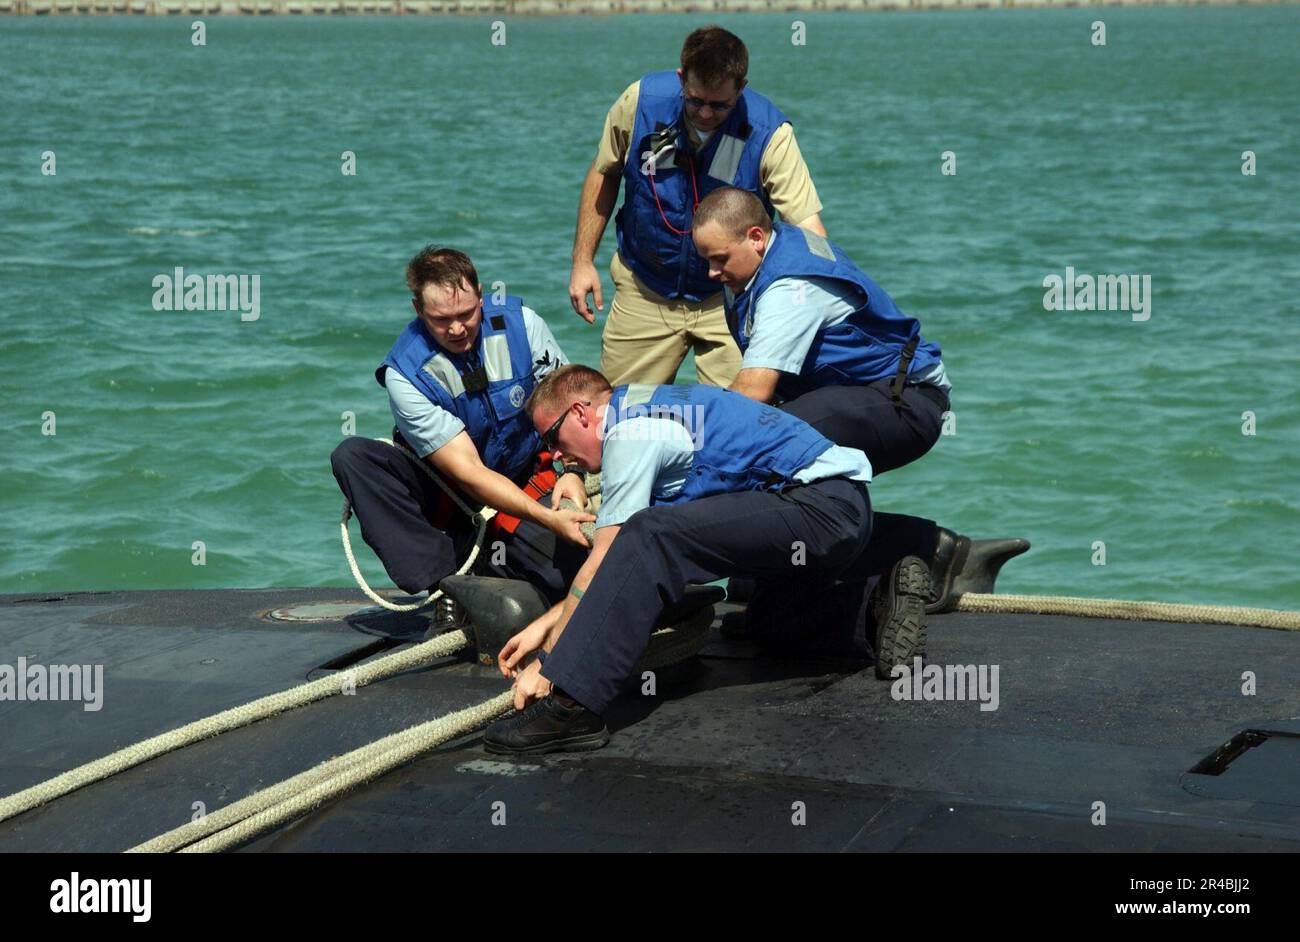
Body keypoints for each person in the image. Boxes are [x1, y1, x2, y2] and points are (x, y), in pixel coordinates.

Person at [480, 365, 932, 755]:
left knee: (648, 535)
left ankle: (572, 708)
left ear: (580, 412)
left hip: (818, 509)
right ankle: (875, 606)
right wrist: (546, 622)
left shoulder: (630, 434)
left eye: (552, 438)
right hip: (835, 509)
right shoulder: (648, 405)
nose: (556, 457)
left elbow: (613, 554)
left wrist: (551, 661)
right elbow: (618, 571)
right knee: (768, 624)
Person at [691, 186, 1028, 612]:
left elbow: (752, 394)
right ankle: (783, 576)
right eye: (706, 260)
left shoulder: (789, 288)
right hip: (854, 397)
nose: (711, 273)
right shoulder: (759, 262)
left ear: (756, 237)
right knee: (797, 486)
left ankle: (936, 552)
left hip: (907, 403)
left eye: (720, 259)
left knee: (764, 445)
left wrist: (688, 441)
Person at [330, 246, 596, 607]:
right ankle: (447, 588)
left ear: (482, 297)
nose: (456, 329)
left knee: (571, 574)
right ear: (418, 310)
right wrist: (548, 520)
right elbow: (468, 472)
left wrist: (572, 472)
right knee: (353, 456)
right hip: (454, 495)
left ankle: (494, 560)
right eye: (441, 319)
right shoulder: (404, 374)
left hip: (530, 478)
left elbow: (573, 412)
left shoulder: (523, 326)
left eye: (466, 314)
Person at [568, 25, 827, 389]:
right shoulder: (642, 102)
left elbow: (806, 227)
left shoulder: (770, 132)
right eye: (695, 101)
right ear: (681, 79)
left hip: (733, 300)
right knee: (621, 419)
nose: (705, 113)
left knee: (739, 426)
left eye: (719, 105)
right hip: (645, 287)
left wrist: (809, 300)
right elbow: (605, 171)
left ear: (741, 88)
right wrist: (582, 262)